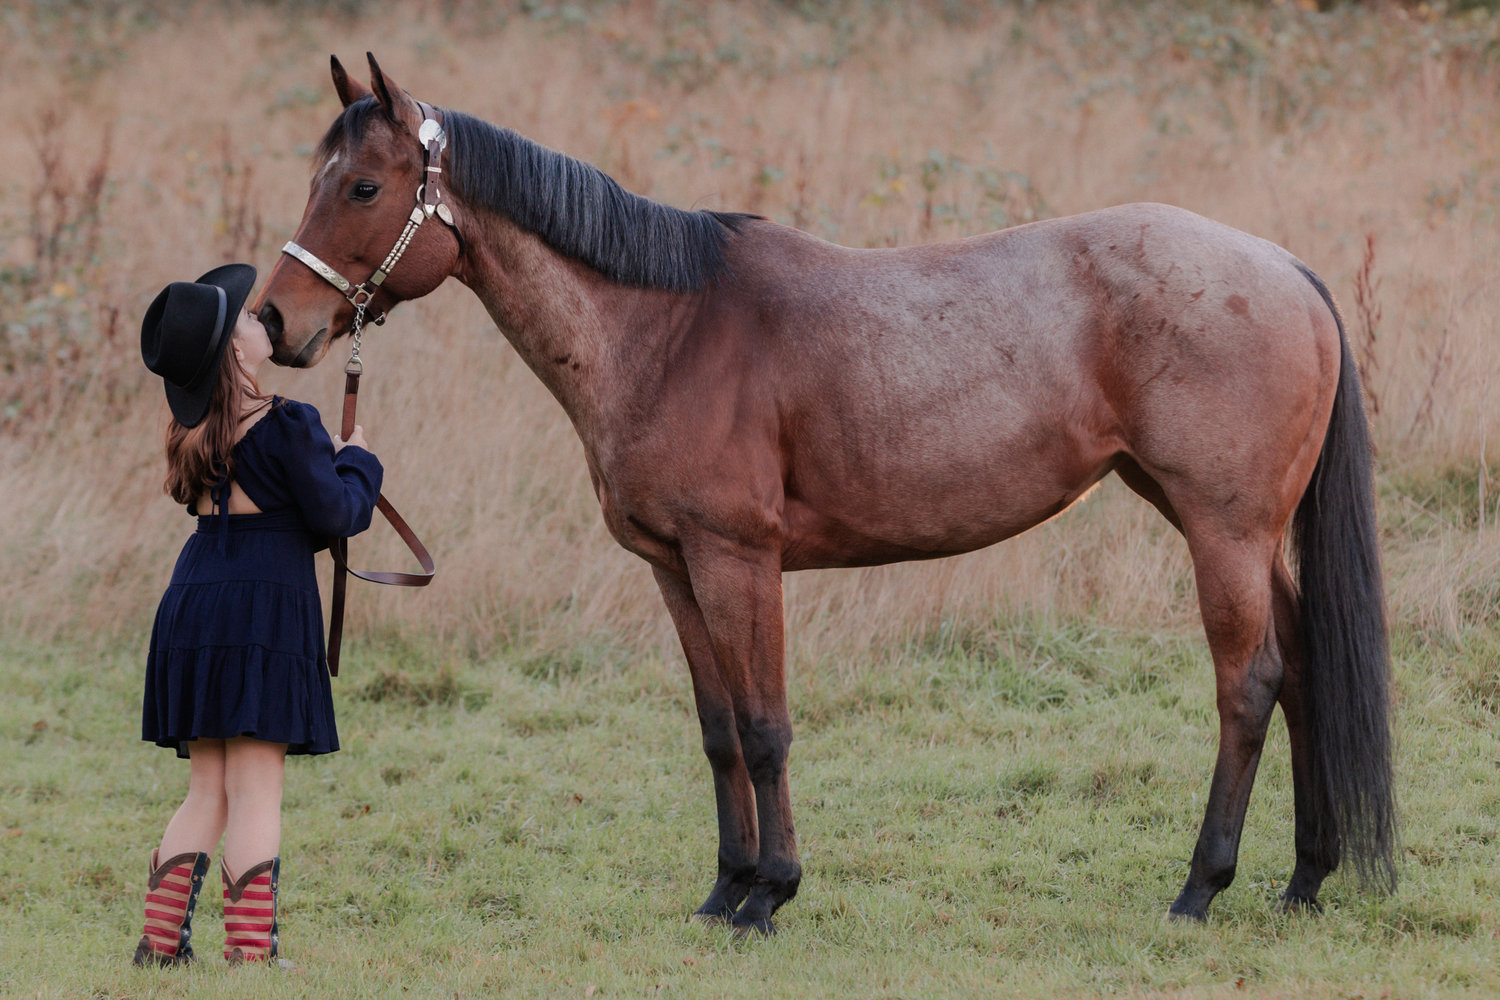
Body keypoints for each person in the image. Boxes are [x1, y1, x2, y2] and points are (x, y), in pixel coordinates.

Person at [133, 263, 382, 967]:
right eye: (245, 318)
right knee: (255, 791)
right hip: (262, 611)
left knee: (207, 787)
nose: (258, 319)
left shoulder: (197, 434)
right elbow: (334, 516)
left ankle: (159, 945)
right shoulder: (288, 424)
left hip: (195, 601)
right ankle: (249, 954)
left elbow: (277, 513)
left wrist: (321, 470)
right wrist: (358, 464)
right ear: (234, 353)